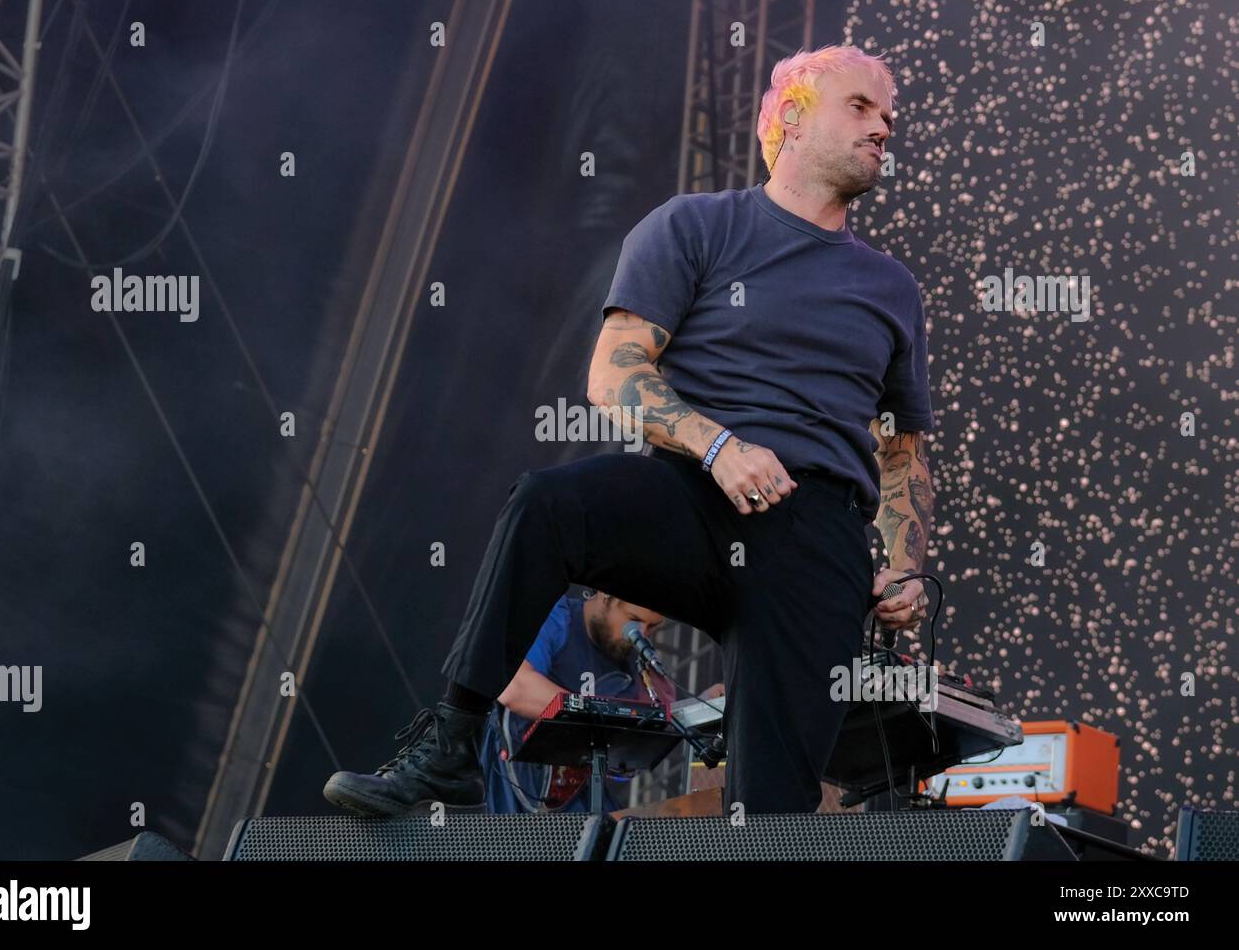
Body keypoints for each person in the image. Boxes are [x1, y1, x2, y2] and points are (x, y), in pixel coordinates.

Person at [323, 43, 935, 818]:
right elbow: (614, 373)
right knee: (549, 504)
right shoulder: (693, 227)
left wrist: (906, 565)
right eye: (861, 107)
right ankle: (450, 745)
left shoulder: (891, 287)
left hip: (818, 536)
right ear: (789, 117)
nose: (883, 127)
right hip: (696, 489)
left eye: (889, 115)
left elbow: (902, 452)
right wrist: (718, 446)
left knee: (774, 807)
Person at [482, 590, 674, 814]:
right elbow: (514, 688)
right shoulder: (556, 616)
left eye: (652, 627)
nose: (641, 633)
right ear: (605, 596)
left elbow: (653, 726)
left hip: (580, 796)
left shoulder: (638, 658)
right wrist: (597, 712)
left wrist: (702, 708)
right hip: (516, 784)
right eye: (633, 621)